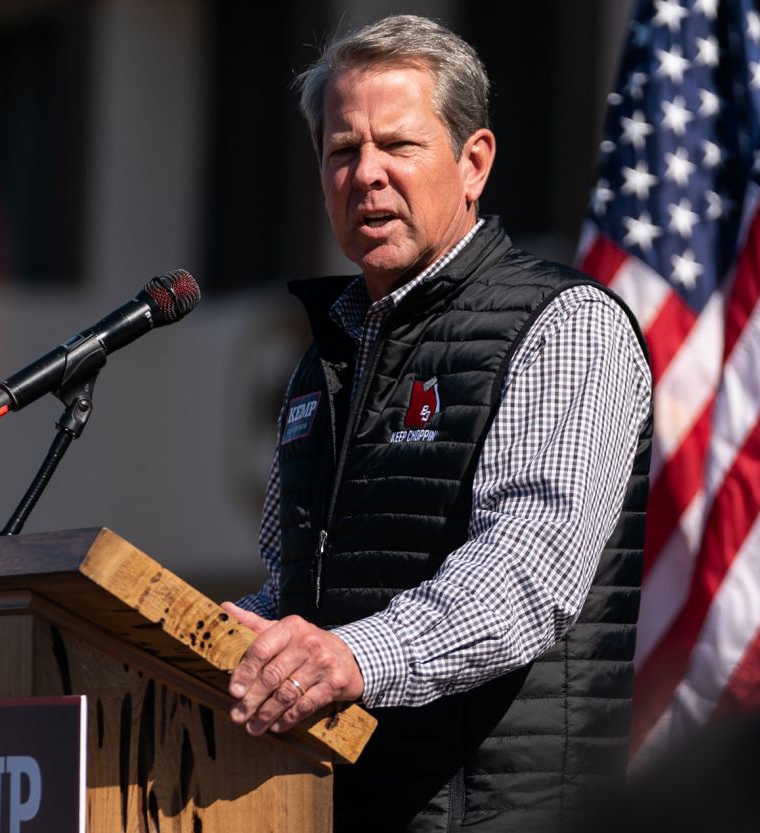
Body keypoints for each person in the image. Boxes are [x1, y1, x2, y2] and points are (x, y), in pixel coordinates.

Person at [219, 14, 653, 831]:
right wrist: (200, 636)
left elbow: (527, 570)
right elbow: (293, 589)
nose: (367, 175)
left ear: (474, 161)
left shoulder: (564, 325)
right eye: (342, 151)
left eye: (399, 146)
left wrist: (351, 656)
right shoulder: (324, 359)